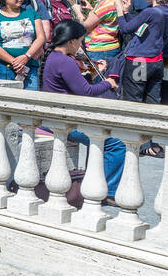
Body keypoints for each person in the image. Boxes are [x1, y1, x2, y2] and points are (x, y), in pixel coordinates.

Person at [41, 19, 126, 202]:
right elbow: (87, 92)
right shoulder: (66, 62)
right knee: (116, 143)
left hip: (56, 116)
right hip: (67, 122)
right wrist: (108, 83)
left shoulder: (52, 57)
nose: (81, 46)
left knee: (100, 138)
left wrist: (94, 74)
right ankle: (108, 191)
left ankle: (93, 181)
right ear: (71, 41)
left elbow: (76, 85)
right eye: (80, 41)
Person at [116, 0, 168, 114]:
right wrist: (127, 12)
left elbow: (126, 29)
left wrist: (119, 11)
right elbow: (139, 29)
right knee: (152, 101)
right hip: (156, 62)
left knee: (133, 101)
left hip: (139, 62)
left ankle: (133, 133)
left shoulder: (150, 11)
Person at [81, 0, 124, 69]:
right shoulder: (117, 2)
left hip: (99, 48)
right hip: (112, 45)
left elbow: (86, 26)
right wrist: (92, 9)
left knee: (98, 81)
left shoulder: (105, 4)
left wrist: (79, 13)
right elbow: (105, 20)